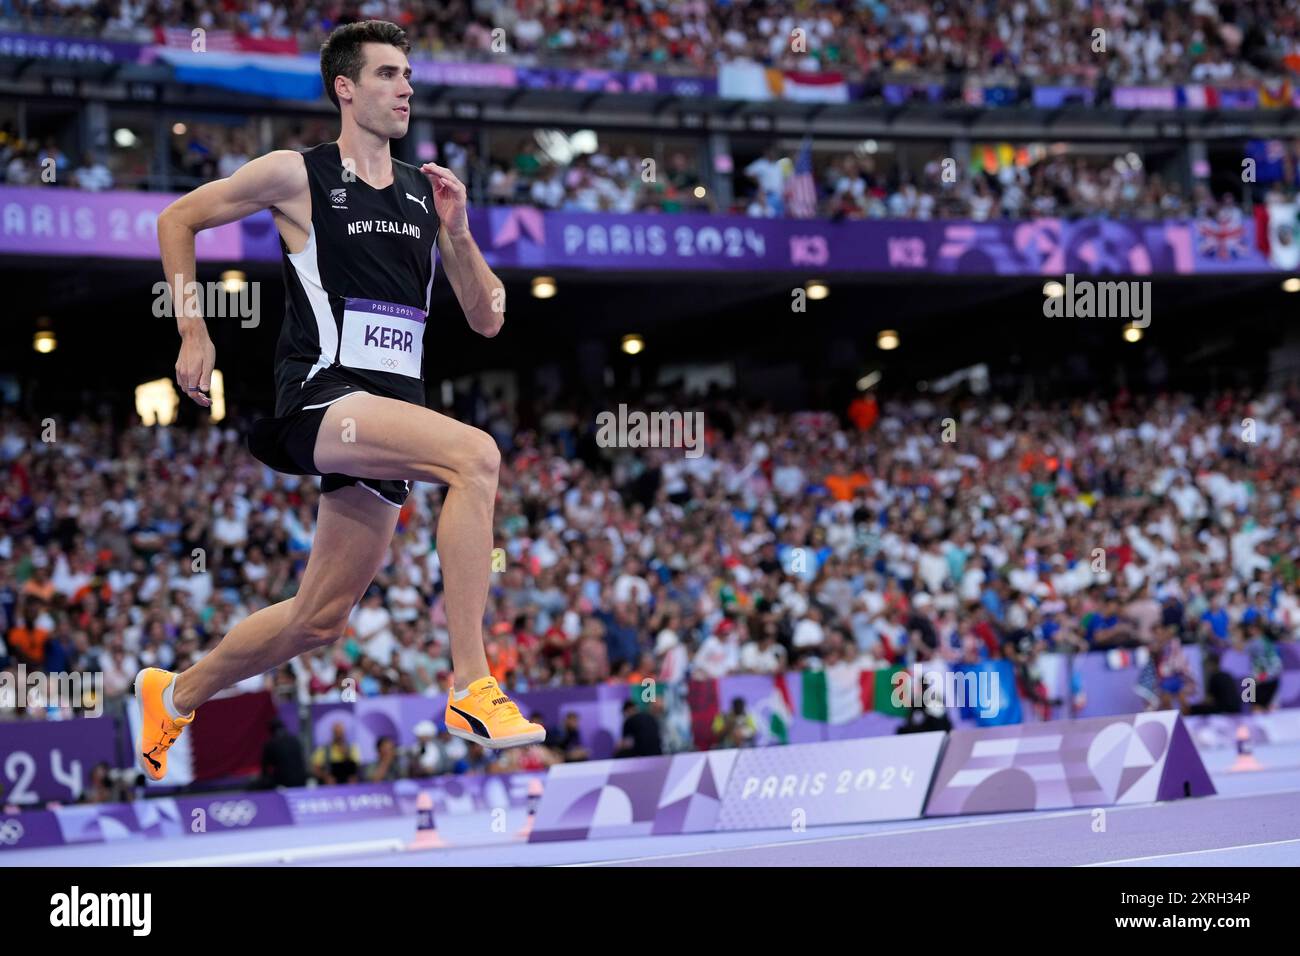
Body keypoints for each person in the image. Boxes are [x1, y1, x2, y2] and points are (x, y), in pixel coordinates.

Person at [135, 19, 543, 781]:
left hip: (386, 418)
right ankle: (471, 684)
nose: (408, 89)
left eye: (410, 76)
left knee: (318, 620)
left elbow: (488, 318)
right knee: (475, 456)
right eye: (390, 74)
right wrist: (193, 330)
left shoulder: (428, 195)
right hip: (321, 397)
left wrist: (459, 233)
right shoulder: (298, 174)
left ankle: (176, 693)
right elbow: (176, 217)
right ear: (346, 89)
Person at [259, 718, 309, 788]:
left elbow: (265, 768)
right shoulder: (295, 740)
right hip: (302, 780)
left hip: (284, 783)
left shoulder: (270, 744)